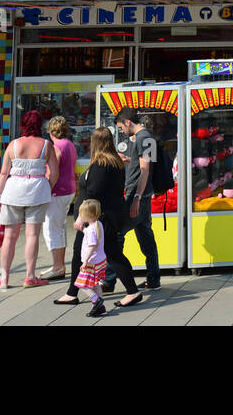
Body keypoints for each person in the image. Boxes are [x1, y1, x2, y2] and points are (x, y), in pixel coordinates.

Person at [55, 128, 142, 308]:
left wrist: (81, 217)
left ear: (95, 143)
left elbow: (94, 192)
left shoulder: (102, 164)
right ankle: (72, 292)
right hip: (104, 217)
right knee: (98, 253)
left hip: (97, 219)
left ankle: (132, 292)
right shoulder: (114, 161)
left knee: (109, 254)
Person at [0, 110, 59, 290]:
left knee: (10, 236)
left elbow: (4, 173)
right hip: (37, 190)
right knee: (32, 235)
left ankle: (4, 278)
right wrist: (47, 187)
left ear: (22, 124)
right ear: (39, 125)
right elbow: (54, 173)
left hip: (12, 191)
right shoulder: (46, 145)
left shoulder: (13, 145)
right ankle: (30, 276)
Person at [107, 108, 160, 291]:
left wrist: (136, 197)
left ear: (128, 122)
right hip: (144, 195)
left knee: (116, 235)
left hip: (137, 195)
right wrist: (129, 160)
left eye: (121, 127)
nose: (122, 131)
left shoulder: (143, 139)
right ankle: (153, 278)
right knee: (146, 239)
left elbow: (145, 170)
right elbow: (145, 165)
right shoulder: (148, 137)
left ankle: (109, 279)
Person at [40, 116, 79, 281]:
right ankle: (59, 264)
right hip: (69, 190)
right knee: (60, 228)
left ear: (51, 131)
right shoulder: (70, 145)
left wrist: (45, 190)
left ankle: (57, 267)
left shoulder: (56, 147)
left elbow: (52, 173)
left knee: (51, 229)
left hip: (57, 192)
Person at [73, 198, 110, 318]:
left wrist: (85, 262)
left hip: (91, 262)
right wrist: (83, 230)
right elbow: (93, 237)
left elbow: (92, 245)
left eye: (82, 214)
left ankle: (96, 300)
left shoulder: (91, 230)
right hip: (100, 260)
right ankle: (99, 307)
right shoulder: (98, 224)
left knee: (81, 284)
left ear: (87, 215)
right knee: (95, 284)